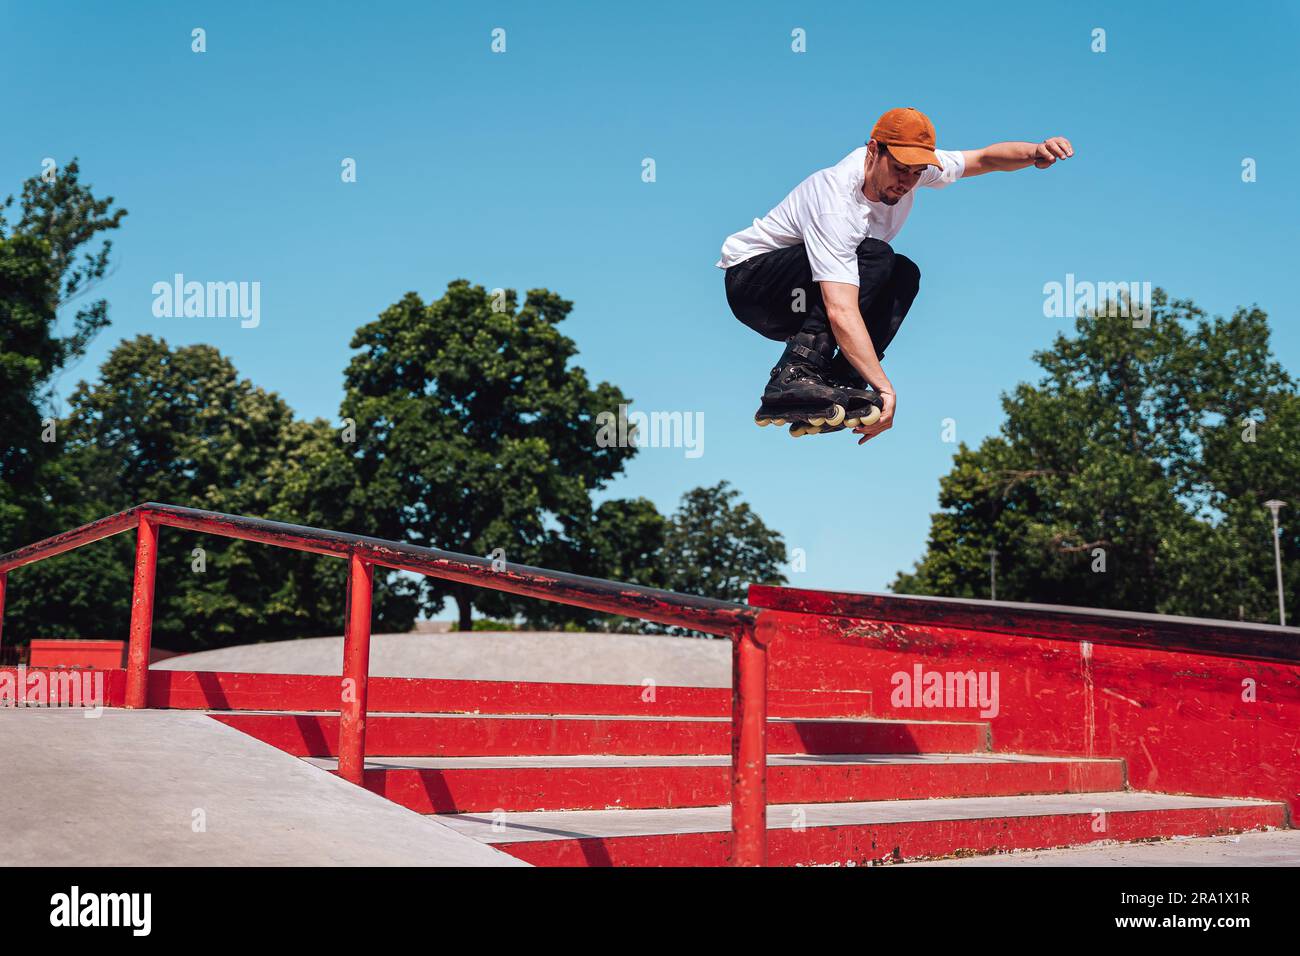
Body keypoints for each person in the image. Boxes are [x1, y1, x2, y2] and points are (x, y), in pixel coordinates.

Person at [718, 107, 1073, 441]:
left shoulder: (913, 170)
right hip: (753, 284)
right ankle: (795, 374)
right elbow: (841, 309)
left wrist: (1034, 152)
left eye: (917, 172)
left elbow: (982, 159)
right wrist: (884, 387)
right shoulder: (836, 199)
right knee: (875, 256)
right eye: (901, 169)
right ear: (874, 150)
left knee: (904, 274)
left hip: (800, 300)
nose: (907, 182)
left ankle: (835, 383)